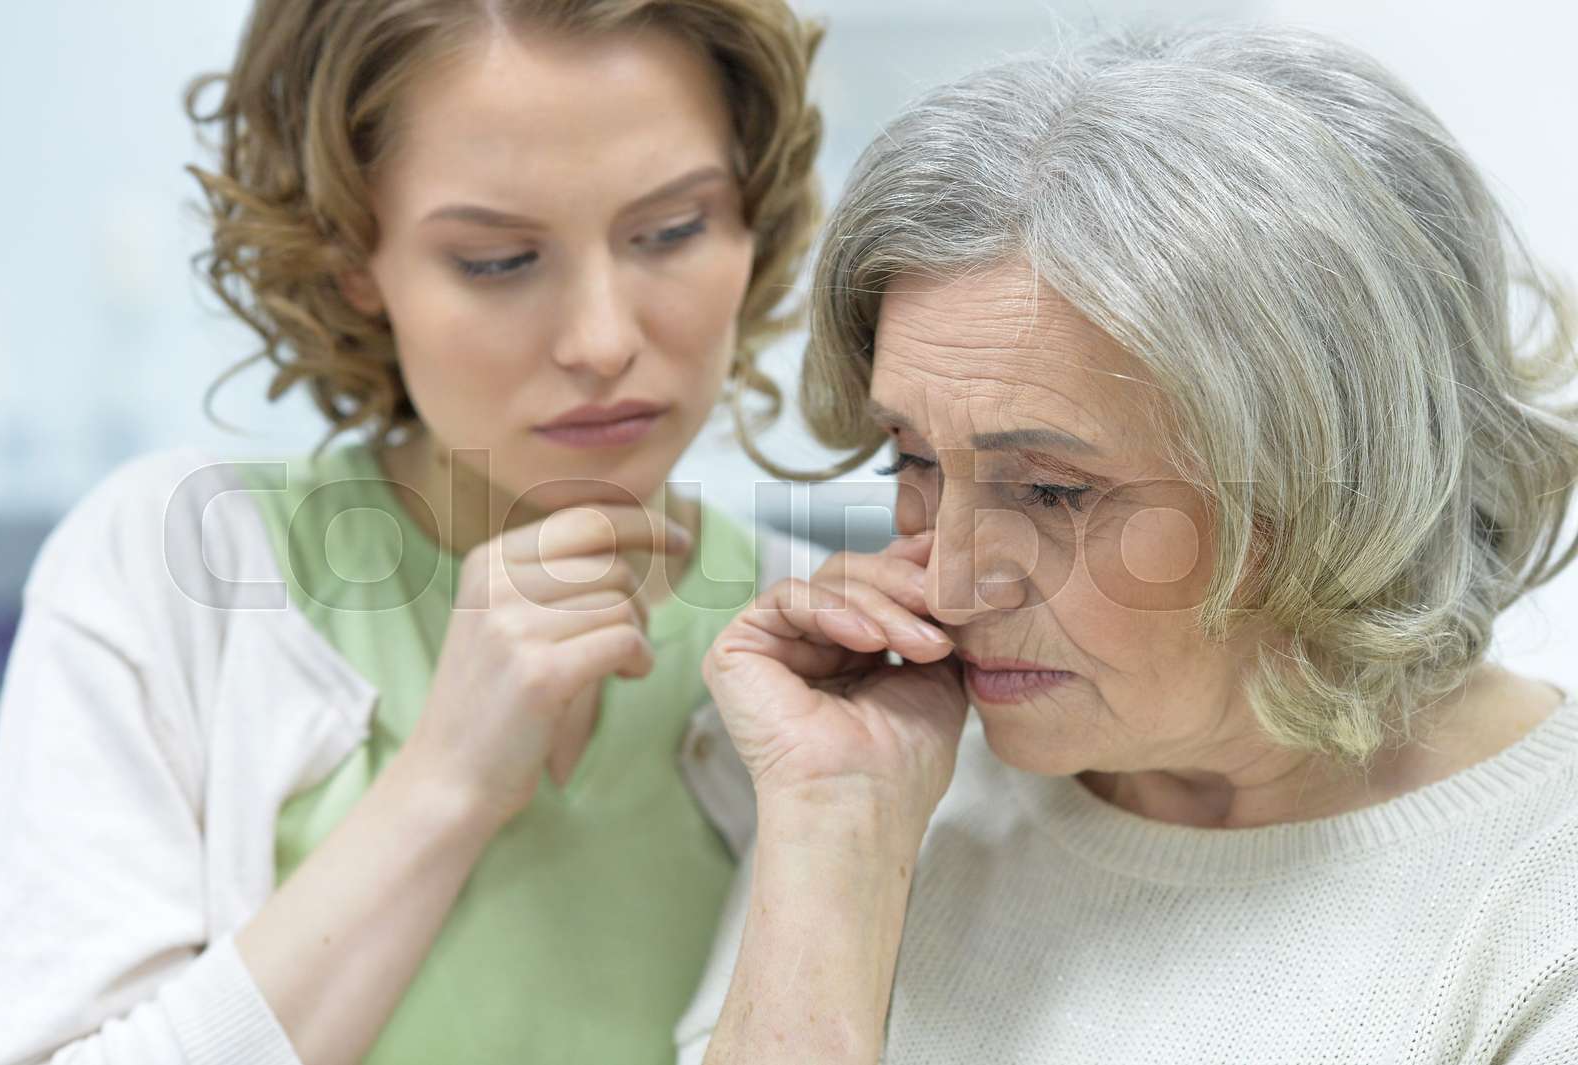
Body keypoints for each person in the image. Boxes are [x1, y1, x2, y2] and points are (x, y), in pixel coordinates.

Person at [676, 24, 1578, 1064]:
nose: (950, 583)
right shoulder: (891, 780)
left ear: (1338, 485)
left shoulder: (1536, 907)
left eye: (1052, 492)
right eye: (912, 461)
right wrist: (835, 826)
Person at [0, 1, 823, 1062]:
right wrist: (447, 784)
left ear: (754, 217)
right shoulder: (175, 571)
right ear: (350, 255)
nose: (602, 340)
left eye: (672, 231)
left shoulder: (826, 662)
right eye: (497, 259)